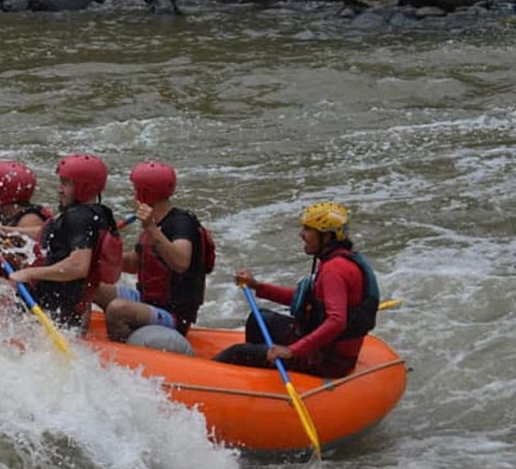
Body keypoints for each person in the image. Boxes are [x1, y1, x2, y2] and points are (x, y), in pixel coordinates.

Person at [213, 201, 380, 378]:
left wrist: (292, 350)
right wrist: (258, 286)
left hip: (328, 359)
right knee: (259, 318)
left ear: (326, 236)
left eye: (308, 229)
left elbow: (337, 321)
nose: (301, 234)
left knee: (237, 353)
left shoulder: (334, 270)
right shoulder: (337, 260)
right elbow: (304, 299)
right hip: (325, 347)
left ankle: (246, 375)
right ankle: (263, 374)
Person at [0, 154, 119, 330]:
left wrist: (30, 273)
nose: (59, 189)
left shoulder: (77, 218)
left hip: (39, 305)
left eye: (66, 183)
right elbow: (45, 233)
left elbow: (78, 266)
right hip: (69, 307)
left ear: (84, 187)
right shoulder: (100, 214)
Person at [96, 161, 207, 342]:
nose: (133, 194)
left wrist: (150, 227)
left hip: (173, 314)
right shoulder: (156, 221)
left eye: (135, 189)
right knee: (89, 286)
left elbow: (181, 263)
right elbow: (135, 263)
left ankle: (121, 351)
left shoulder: (182, 223)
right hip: (146, 300)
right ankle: (74, 335)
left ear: (144, 192)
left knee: (117, 309)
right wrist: (100, 257)